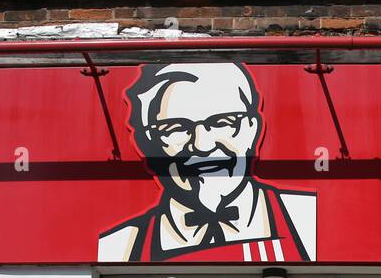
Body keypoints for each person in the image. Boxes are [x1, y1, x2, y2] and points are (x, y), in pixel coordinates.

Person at [99, 63, 316, 263]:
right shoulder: (120, 246)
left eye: (222, 122)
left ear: (252, 129)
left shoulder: (305, 218)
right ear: (146, 142)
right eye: (176, 128)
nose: (202, 145)